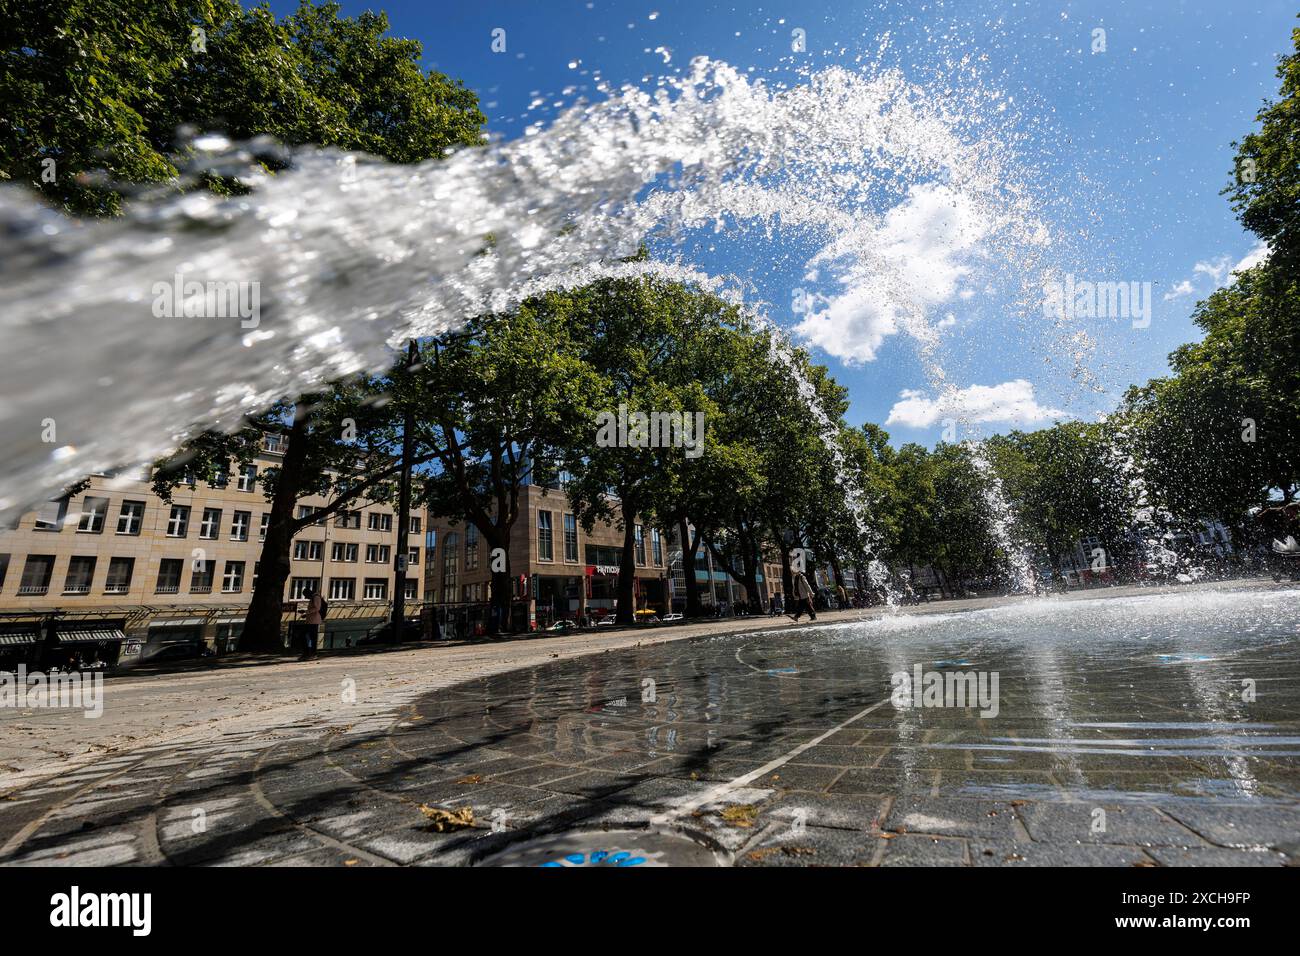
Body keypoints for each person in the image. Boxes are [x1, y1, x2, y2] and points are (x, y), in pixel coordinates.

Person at [300, 587, 324, 661]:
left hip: (314, 621)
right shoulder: (313, 597)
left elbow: (317, 608)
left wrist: (306, 613)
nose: (305, 597)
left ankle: (312, 653)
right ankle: (307, 653)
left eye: (306, 595)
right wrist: (305, 612)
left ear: (309, 593)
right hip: (311, 620)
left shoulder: (316, 597)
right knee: (308, 637)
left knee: (312, 638)